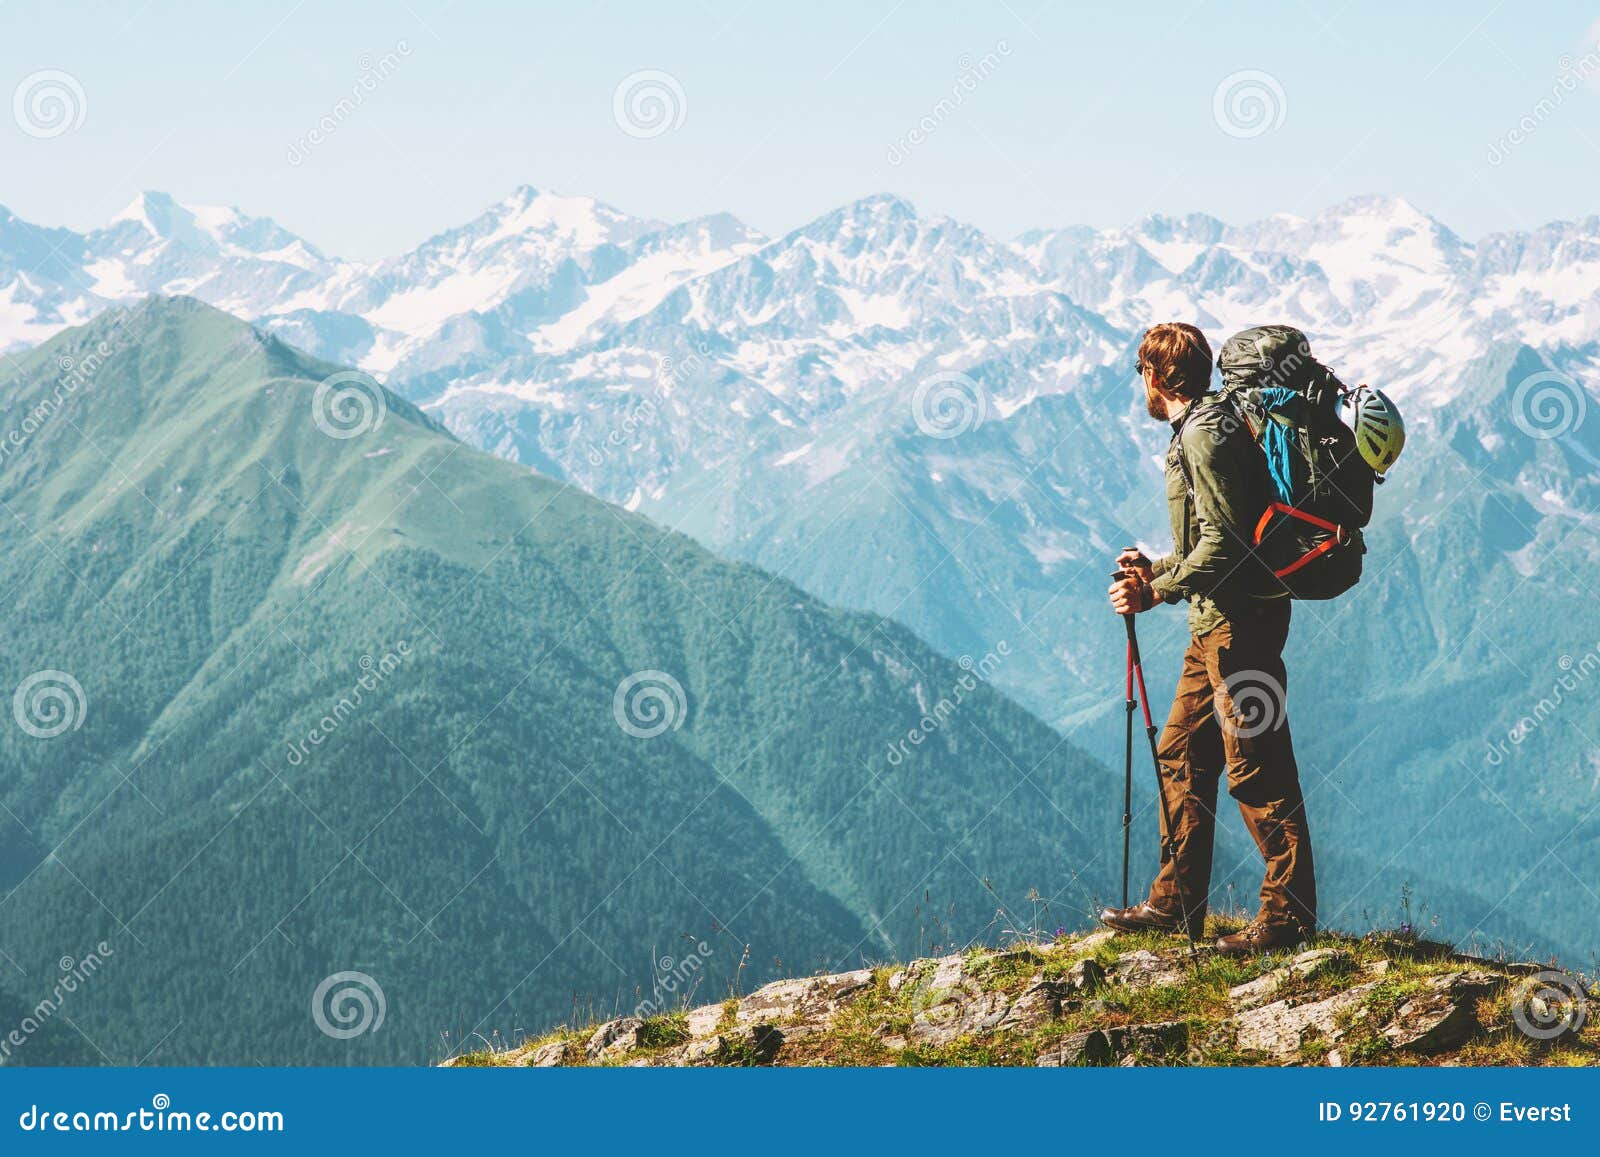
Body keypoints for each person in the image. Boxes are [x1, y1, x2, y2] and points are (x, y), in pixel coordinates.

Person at [1099, 322, 1316, 955]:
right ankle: (1175, 905)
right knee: (1182, 753)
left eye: (1142, 372)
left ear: (1156, 376)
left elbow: (1229, 546)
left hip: (1239, 628)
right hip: (1214, 626)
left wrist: (1155, 590)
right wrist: (1157, 569)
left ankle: (1286, 920)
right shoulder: (1204, 428)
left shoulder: (1205, 435)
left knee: (1257, 764)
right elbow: (1209, 542)